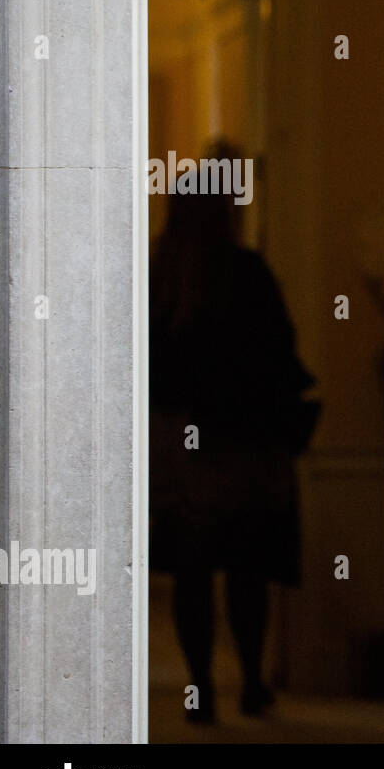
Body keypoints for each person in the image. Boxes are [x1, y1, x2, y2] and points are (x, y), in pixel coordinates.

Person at [150, 139, 319, 724]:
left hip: (178, 447)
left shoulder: (158, 276)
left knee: (192, 575)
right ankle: (250, 682)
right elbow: (282, 357)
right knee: (245, 568)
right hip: (245, 446)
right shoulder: (246, 272)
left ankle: (201, 689)